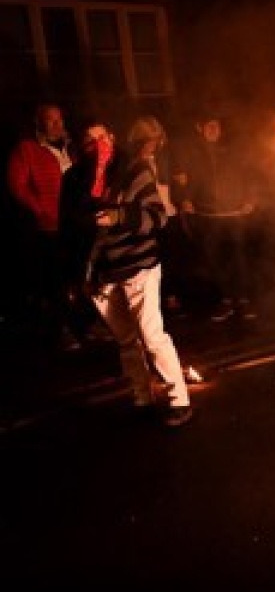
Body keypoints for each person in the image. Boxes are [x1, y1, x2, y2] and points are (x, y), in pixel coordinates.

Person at [60, 119, 193, 426]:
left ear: (112, 137)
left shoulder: (133, 170)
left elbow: (157, 216)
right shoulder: (74, 180)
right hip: (101, 273)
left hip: (138, 266)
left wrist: (119, 215)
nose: (98, 147)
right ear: (81, 146)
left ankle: (178, 399)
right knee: (125, 340)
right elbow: (68, 230)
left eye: (103, 138)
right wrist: (76, 274)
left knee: (151, 335)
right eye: (90, 142)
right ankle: (142, 395)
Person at [6, 102, 81, 350]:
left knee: (78, 276)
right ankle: (61, 329)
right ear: (39, 122)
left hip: (75, 224)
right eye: (51, 120)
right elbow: (18, 186)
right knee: (55, 280)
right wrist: (41, 211)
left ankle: (83, 324)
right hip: (48, 227)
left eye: (60, 120)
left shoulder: (71, 148)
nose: (58, 125)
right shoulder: (27, 149)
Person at [172, 111, 257, 321]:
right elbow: (182, 180)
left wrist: (251, 199)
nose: (213, 130)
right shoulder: (192, 154)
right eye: (209, 126)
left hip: (234, 214)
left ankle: (243, 301)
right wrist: (185, 199)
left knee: (238, 258)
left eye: (216, 126)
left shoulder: (231, 151)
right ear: (200, 128)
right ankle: (226, 300)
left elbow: (248, 176)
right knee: (216, 260)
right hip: (208, 215)